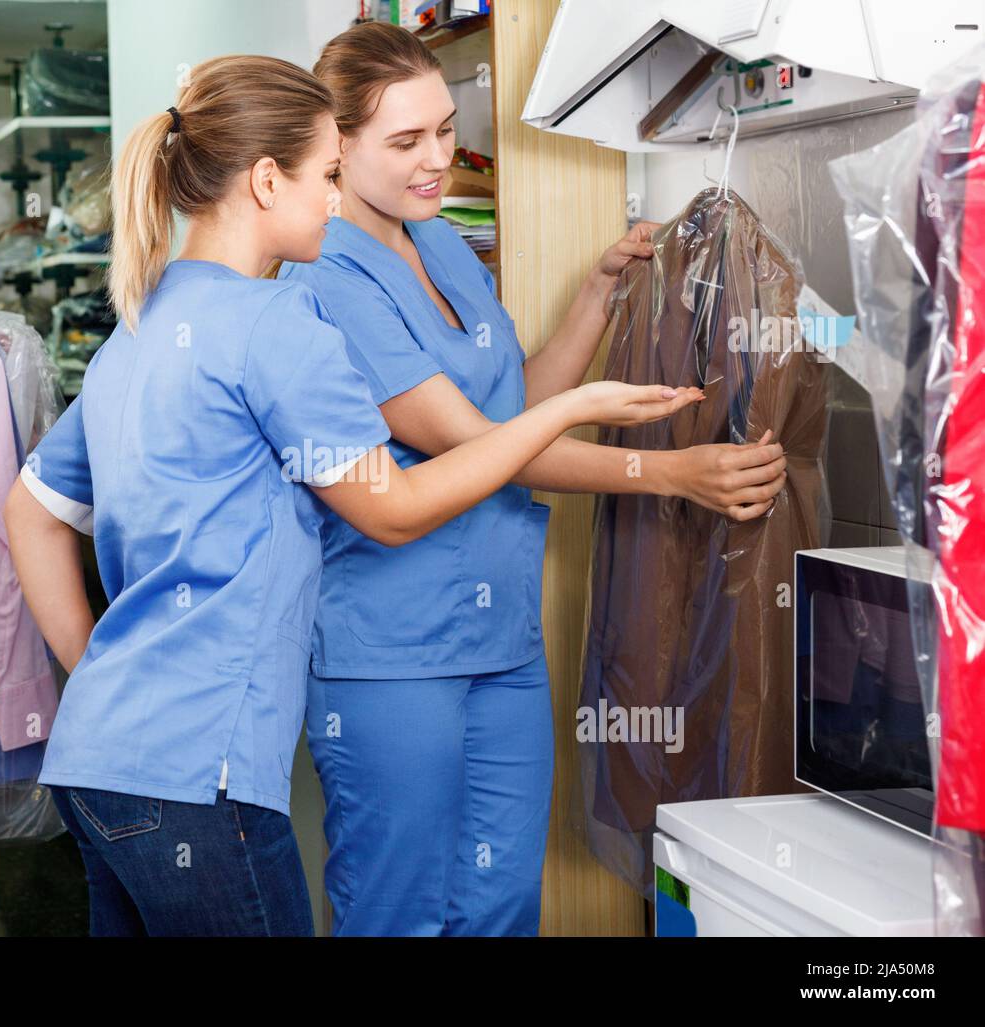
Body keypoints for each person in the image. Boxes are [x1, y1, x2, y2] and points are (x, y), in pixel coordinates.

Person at [2, 54, 701, 938]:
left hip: (98, 762)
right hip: (201, 773)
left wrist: (95, 671)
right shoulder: (274, 322)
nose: (337, 203)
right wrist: (576, 408)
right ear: (265, 181)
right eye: (328, 175)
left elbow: (29, 510)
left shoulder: (141, 328)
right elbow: (393, 508)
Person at [278, 21, 788, 937]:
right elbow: (478, 443)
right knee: (399, 910)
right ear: (336, 145)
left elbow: (515, 403)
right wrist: (672, 473)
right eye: (405, 143)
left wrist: (597, 292)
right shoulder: (328, 281)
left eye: (443, 128)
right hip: (392, 654)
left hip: (501, 642)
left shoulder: (435, 244)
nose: (438, 159)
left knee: (503, 905)